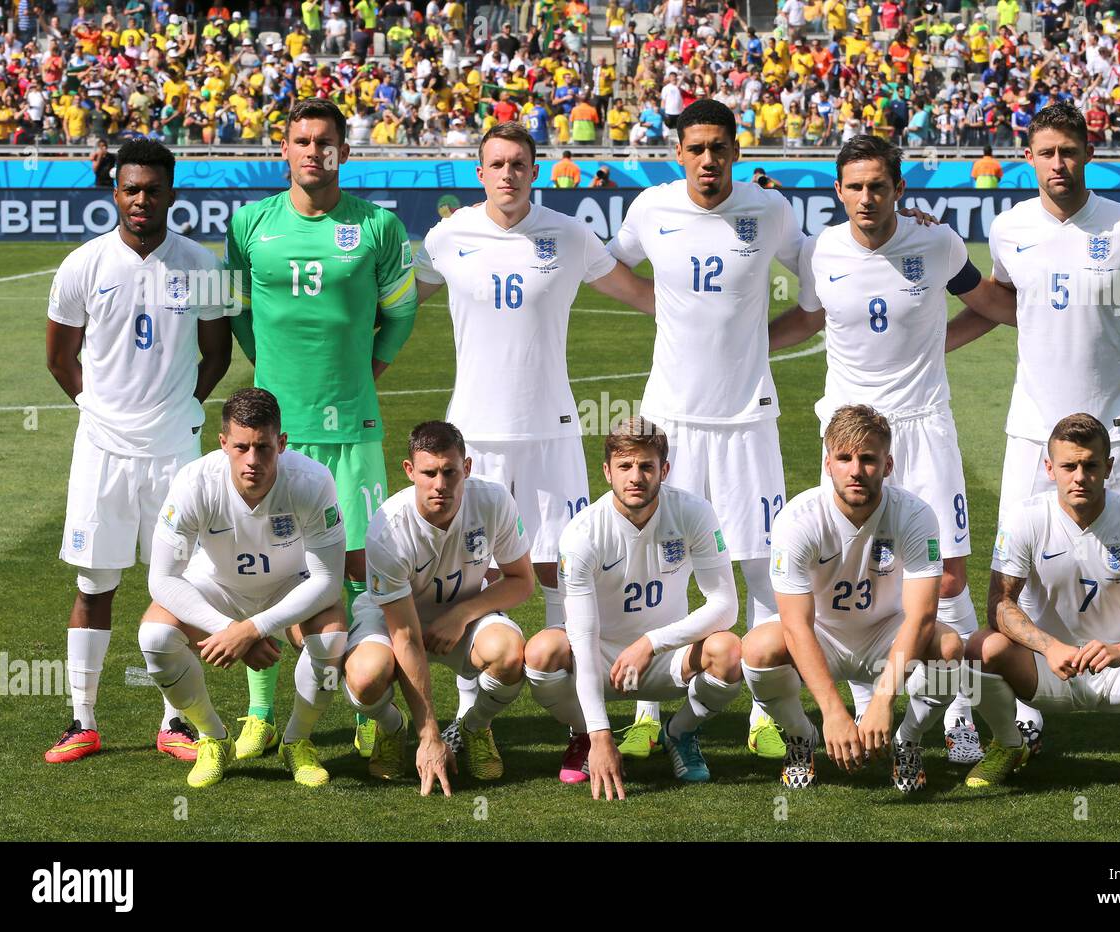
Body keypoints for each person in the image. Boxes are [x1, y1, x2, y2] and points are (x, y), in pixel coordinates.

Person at [948, 103, 1120, 764]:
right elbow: (1002, 306)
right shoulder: (1008, 229)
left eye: (1069, 151)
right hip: (1033, 433)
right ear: (1029, 157)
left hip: (1114, 428)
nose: (1058, 164)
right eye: (1046, 152)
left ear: (1089, 153)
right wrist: (933, 344)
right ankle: (1023, 711)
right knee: (1015, 575)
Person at [768, 134, 1017, 764]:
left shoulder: (935, 242)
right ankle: (853, 701)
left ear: (899, 190)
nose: (867, 197)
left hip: (923, 424)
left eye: (879, 185)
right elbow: (805, 319)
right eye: (854, 186)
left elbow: (989, 305)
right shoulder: (822, 251)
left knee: (950, 575)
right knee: (845, 568)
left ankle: (957, 714)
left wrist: (1063, 305)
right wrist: (738, 348)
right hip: (850, 433)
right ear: (838, 192)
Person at [409, 121, 652, 752]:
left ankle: (573, 715)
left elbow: (642, 294)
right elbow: (399, 305)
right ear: (480, 172)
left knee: (556, 567)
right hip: (475, 436)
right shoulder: (447, 236)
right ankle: (472, 723)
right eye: (497, 163)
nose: (509, 174)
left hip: (551, 432)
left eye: (520, 163)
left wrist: (710, 316)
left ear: (534, 170)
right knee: (473, 571)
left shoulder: (569, 235)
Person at [607, 98, 804, 762]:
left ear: (736, 152)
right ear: (678, 152)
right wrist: (656, 308)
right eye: (695, 148)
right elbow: (603, 265)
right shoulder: (651, 210)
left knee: (761, 571)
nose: (708, 160)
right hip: (670, 424)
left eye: (719, 148)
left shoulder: (769, 210)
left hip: (748, 422)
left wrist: (767, 342)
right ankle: (644, 711)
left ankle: (763, 712)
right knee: (659, 570)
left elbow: (823, 277)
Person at [225, 97, 418, 762]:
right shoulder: (250, 224)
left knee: (363, 565)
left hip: (354, 427)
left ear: (343, 149)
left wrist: (366, 371)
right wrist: (271, 374)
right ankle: (259, 713)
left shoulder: (376, 227)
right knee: (270, 571)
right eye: (302, 140)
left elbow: (401, 312)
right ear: (284, 149)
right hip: (278, 433)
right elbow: (236, 314)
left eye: (325, 141)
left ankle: (371, 705)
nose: (314, 150)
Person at [44, 139, 232, 765]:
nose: (141, 199)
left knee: (174, 583)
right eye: (131, 188)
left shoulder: (202, 264)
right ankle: (82, 720)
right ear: (115, 192)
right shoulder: (83, 264)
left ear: (171, 194)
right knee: (96, 582)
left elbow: (218, 353)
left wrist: (185, 410)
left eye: (153, 189)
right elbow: (59, 358)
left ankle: (174, 722)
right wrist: (94, 411)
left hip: (174, 451)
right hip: (101, 450)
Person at [964, 413, 1120, 795]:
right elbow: (999, 604)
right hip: (1048, 668)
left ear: (1109, 467)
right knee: (981, 646)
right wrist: (1049, 646)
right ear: (1050, 468)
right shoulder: (1025, 518)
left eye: (1090, 465)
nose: (1079, 476)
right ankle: (1009, 745)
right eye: (1068, 466)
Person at [741, 404, 963, 791]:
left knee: (948, 645)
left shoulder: (915, 515)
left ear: (888, 464)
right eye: (844, 458)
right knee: (757, 648)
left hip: (886, 636)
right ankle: (801, 736)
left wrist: (881, 701)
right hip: (822, 636)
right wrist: (832, 711)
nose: (856, 470)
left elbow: (921, 618)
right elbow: (795, 624)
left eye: (868, 459)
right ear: (828, 464)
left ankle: (907, 740)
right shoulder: (798, 519)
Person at [138, 389, 347, 788]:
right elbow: (162, 578)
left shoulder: (312, 481)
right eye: (241, 447)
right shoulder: (194, 482)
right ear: (223, 444)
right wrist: (228, 628)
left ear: (281, 443)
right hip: (219, 586)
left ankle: (296, 740)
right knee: (156, 637)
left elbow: (327, 581)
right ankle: (213, 738)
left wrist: (252, 629)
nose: (253, 460)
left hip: (291, 584)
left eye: (264, 447)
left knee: (331, 640)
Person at [524, 418, 744, 796]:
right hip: (599, 655)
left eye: (646, 466)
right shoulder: (582, 534)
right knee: (542, 652)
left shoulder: (694, 513)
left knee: (729, 651)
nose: (636, 477)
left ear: (665, 470)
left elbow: (725, 606)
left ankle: (681, 732)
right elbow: (582, 635)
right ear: (607, 471)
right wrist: (600, 734)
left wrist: (650, 643)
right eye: (625, 466)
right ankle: (582, 735)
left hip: (665, 655)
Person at [343, 420, 532, 788]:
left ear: (468, 468)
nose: (441, 484)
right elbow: (406, 635)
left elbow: (522, 581)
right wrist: (429, 734)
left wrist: (461, 614)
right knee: (365, 677)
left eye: (450, 471)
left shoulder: (493, 501)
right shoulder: (388, 531)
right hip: (394, 620)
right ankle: (392, 728)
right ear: (410, 471)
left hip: (465, 612)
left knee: (508, 655)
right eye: (429, 473)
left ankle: (474, 728)